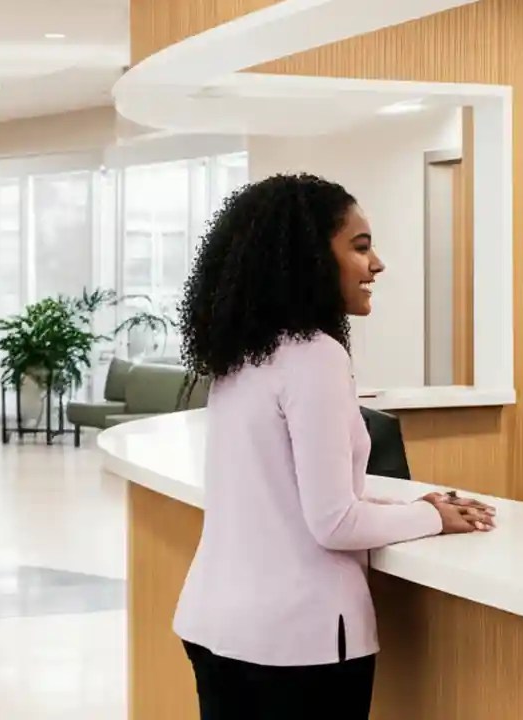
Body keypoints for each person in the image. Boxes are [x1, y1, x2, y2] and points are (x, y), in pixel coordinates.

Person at [173, 172, 496, 718]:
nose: (377, 264)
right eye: (360, 247)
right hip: (295, 645)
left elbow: (279, 498)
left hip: (216, 625)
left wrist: (391, 508)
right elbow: (332, 523)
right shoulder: (314, 355)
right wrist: (432, 517)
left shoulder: (244, 352)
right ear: (308, 259)